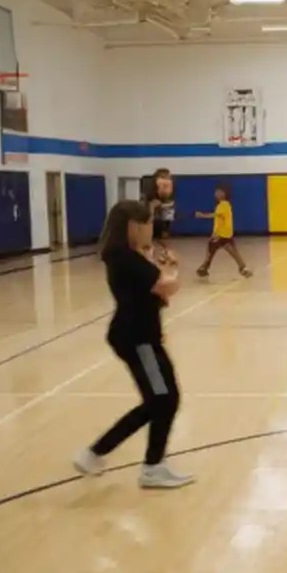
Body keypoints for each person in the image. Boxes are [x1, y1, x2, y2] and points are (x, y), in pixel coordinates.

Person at [74, 200, 193, 489]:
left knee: (161, 400)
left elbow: (157, 296)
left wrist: (160, 268)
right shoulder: (124, 257)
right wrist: (173, 272)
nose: (150, 229)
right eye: (146, 223)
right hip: (138, 338)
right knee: (163, 400)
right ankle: (135, 462)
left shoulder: (129, 256)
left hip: (142, 334)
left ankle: (107, 455)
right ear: (132, 226)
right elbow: (166, 288)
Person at [195, 183, 252, 279]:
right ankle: (243, 268)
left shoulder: (224, 205)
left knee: (212, 250)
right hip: (224, 234)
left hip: (222, 235)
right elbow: (219, 220)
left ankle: (204, 268)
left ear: (223, 194)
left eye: (217, 192)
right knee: (229, 251)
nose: (215, 194)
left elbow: (214, 215)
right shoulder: (223, 205)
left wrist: (202, 215)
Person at [146, 168, 177, 266]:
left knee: (163, 238)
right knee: (149, 238)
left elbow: (170, 202)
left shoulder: (169, 188)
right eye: (163, 176)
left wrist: (164, 205)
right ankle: (153, 257)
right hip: (153, 216)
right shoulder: (152, 191)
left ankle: (165, 255)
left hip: (163, 216)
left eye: (167, 176)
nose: (167, 178)